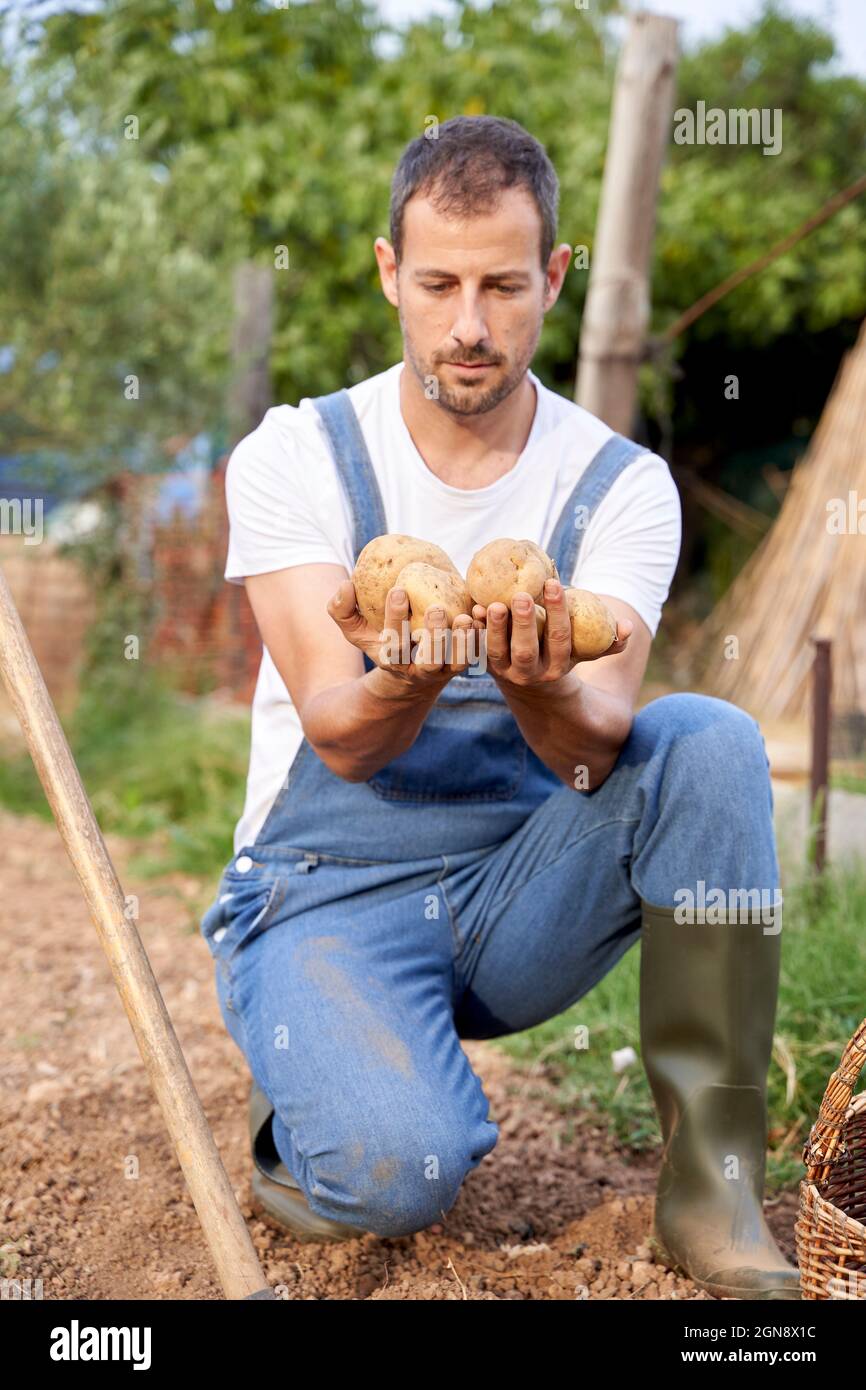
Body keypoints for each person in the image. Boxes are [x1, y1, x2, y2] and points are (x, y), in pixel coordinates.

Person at [200, 115, 799, 1300]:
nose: (468, 325)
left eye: (502, 286)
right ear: (389, 274)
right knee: (393, 1172)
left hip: (517, 893)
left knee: (709, 739)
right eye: (436, 283)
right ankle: (310, 1080)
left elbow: (597, 750)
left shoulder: (619, 486)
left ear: (555, 277)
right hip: (328, 886)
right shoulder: (296, 456)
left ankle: (712, 1192)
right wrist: (406, 671)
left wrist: (537, 682)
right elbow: (336, 728)